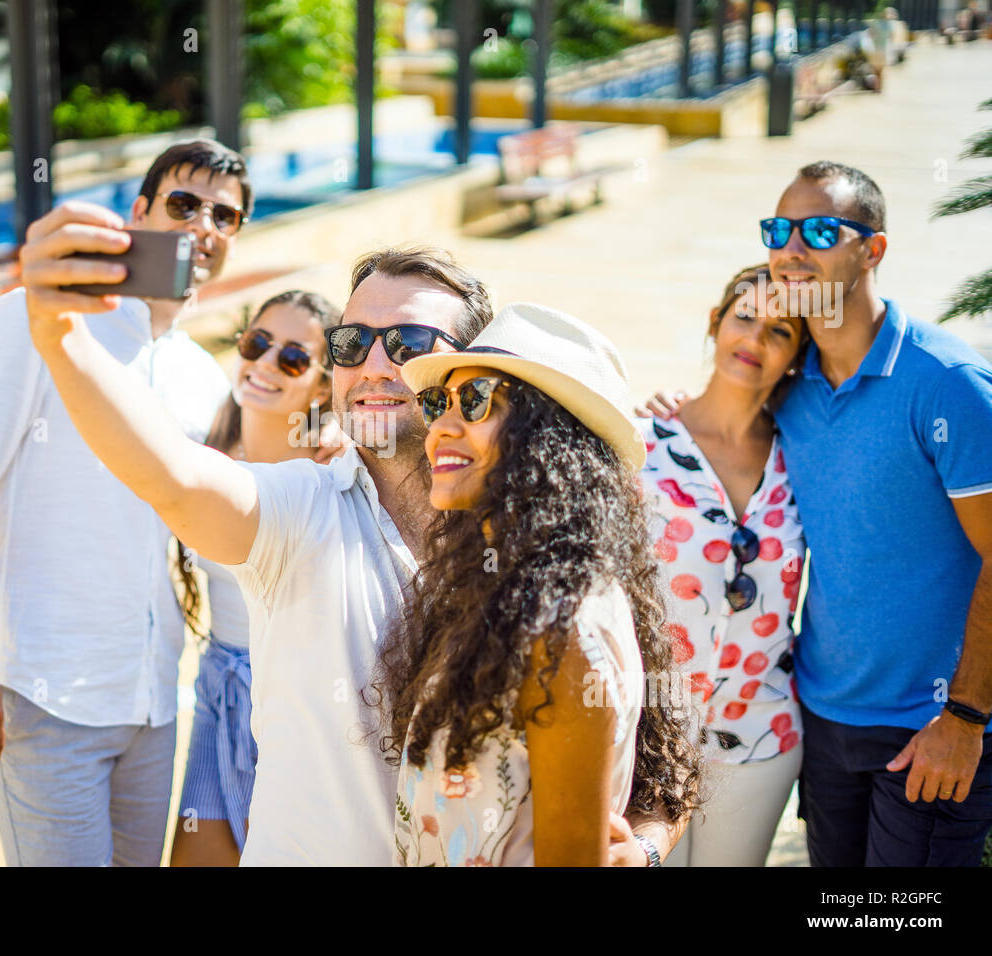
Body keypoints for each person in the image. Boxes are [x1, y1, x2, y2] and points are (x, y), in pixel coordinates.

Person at [16, 223, 690, 864]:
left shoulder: (547, 554)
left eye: (408, 343)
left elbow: (662, 749)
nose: (371, 365)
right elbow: (174, 475)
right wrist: (60, 336)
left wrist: (647, 845)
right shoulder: (299, 510)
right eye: (349, 344)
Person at [0, 139, 249, 866]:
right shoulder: (34, 325)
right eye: (184, 203)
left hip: (153, 701)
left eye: (225, 215)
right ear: (139, 212)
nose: (203, 226)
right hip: (43, 694)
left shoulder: (201, 375)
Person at [647, 161, 992, 867]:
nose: (793, 247)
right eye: (780, 229)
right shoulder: (791, 388)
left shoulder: (949, 384)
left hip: (927, 728)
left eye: (821, 229)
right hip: (821, 719)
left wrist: (966, 716)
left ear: (874, 249)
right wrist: (669, 418)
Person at [375, 303, 703, 866]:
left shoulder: (567, 625)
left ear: (549, 440)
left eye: (475, 402)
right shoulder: (493, 582)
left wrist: (644, 852)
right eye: (438, 403)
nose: (443, 427)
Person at [638, 264, 810, 867]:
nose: (755, 340)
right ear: (715, 324)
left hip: (761, 731)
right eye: (744, 317)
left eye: (780, 331)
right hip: (644, 733)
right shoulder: (639, 442)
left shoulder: (806, 459)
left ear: (796, 355)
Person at [170, 289, 342, 866]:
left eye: (293, 357)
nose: (266, 364)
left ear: (322, 385)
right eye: (257, 343)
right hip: (219, 688)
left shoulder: (336, 470)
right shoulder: (205, 455)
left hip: (295, 702)